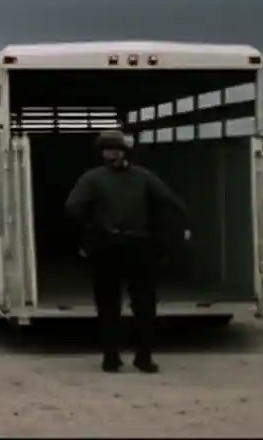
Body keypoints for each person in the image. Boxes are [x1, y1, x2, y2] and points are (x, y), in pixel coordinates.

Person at [65, 130, 190, 374]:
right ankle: (130, 358)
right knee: (134, 304)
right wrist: (179, 226)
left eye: (113, 149)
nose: (112, 153)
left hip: (116, 245)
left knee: (117, 305)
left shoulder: (94, 178)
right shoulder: (140, 176)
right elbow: (169, 201)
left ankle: (122, 357)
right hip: (129, 245)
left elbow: (73, 207)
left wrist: (92, 230)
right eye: (108, 149)